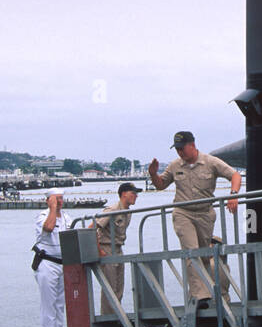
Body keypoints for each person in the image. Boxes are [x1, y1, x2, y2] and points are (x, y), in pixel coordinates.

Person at [147, 131, 241, 303]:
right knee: (192, 251)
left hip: (204, 214)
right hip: (183, 212)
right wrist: (153, 174)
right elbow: (161, 185)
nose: (180, 153)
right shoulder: (175, 165)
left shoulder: (210, 162)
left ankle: (201, 290)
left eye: (182, 148)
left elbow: (234, 175)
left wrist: (233, 195)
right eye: (177, 149)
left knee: (204, 255)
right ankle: (201, 295)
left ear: (192, 145)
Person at [32, 189, 72, 327]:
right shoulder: (43, 216)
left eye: (61, 198)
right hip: (47, 263)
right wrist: (53, 209)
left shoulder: (67, 218)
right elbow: (48, 228)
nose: (60, 201)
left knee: (60, 302)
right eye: (56, 199)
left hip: (62, 263)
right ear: (49, 200)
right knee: (49, 302)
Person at [91, 183, 139, 314]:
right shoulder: (112, 210)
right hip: (107, 248)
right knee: (110, 286)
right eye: (133, 193)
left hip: (118, 248)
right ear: (124, 194)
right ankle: (108, 316)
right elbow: (92, 227)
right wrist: (99, 250)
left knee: (119, 286)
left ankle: (117, 314)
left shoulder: (127, 211)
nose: (136, 196)